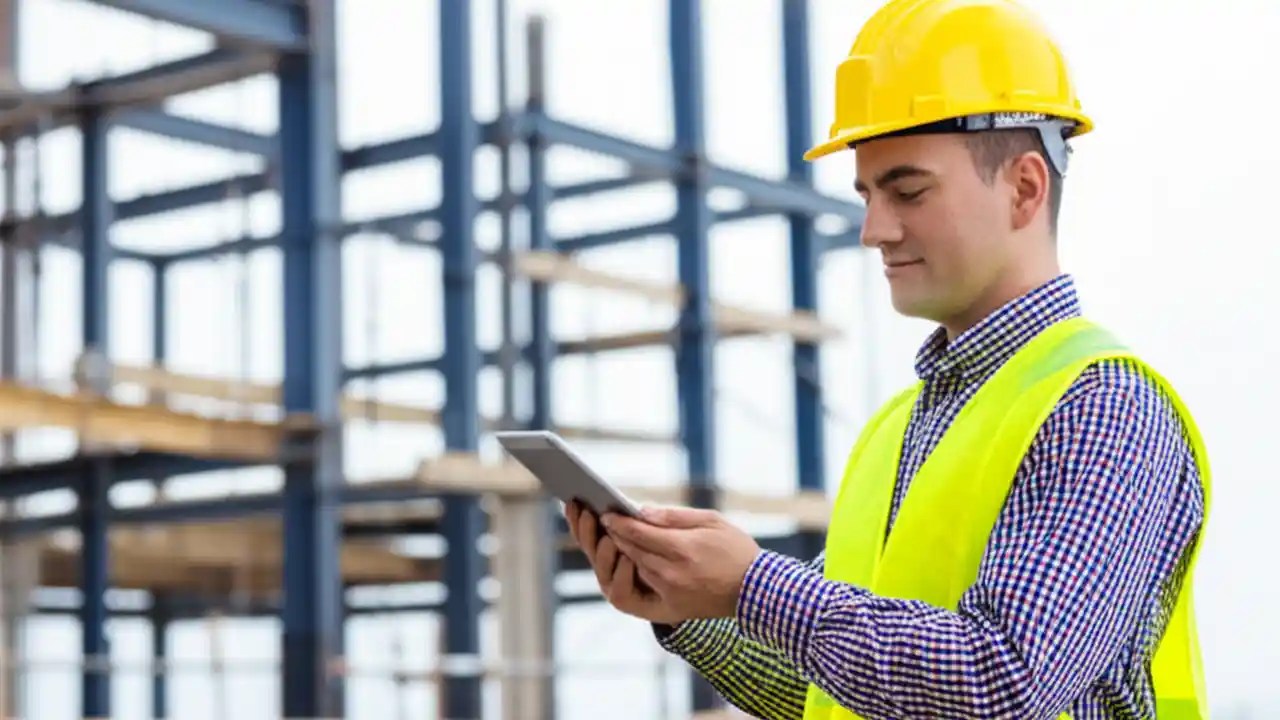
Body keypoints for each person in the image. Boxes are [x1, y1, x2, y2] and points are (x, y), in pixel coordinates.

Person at [564, 0, 1212, 718]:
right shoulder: (898, 431)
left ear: (1025, 188)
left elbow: (1003, 682)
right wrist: (688, 609)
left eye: (908, 191)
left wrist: (752, 584)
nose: (873, 230)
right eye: (868, 194)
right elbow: (833, 692)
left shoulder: (1100, 407)